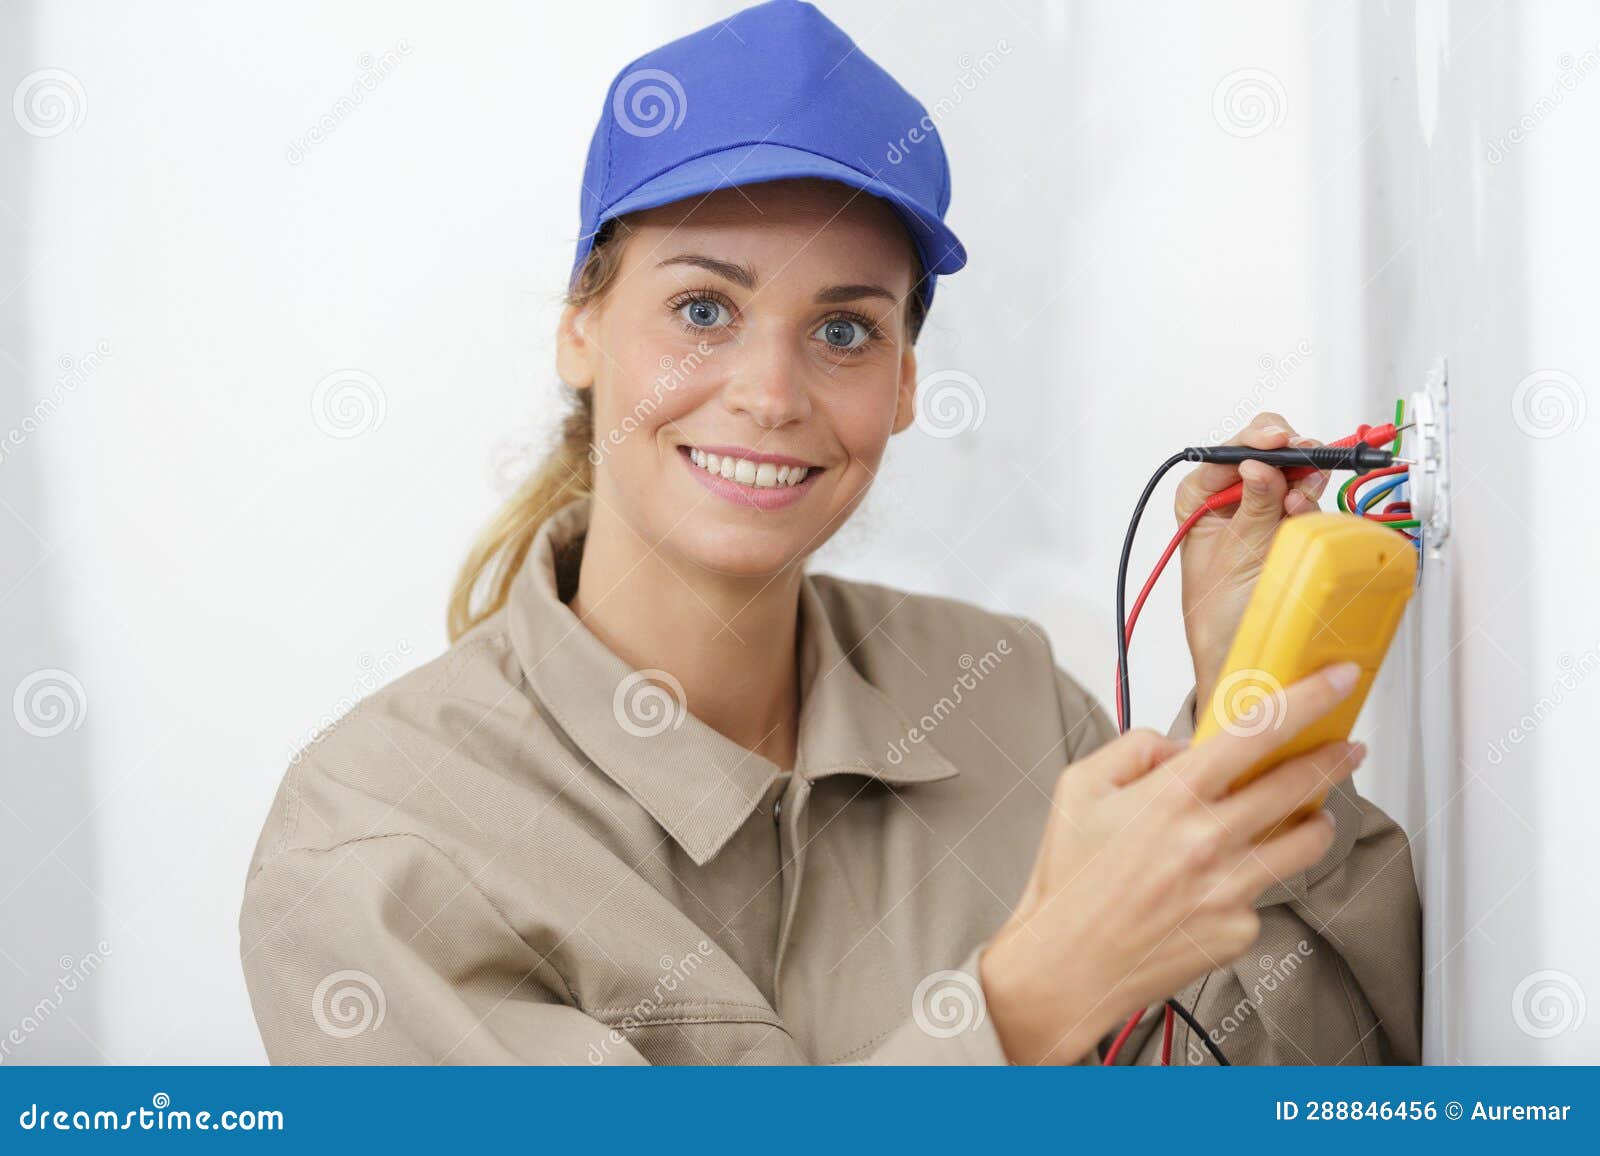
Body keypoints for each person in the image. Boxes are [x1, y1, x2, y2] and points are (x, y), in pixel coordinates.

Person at [239, 0, 1420, 1065]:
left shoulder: (1002, 697)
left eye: (845, 331)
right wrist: (1021, 1007)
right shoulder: (374, 839)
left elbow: (1299, 1094)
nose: (771, 392)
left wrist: (1246, 717)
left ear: (906, 381)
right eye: (703, 308)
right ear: (581, 332)